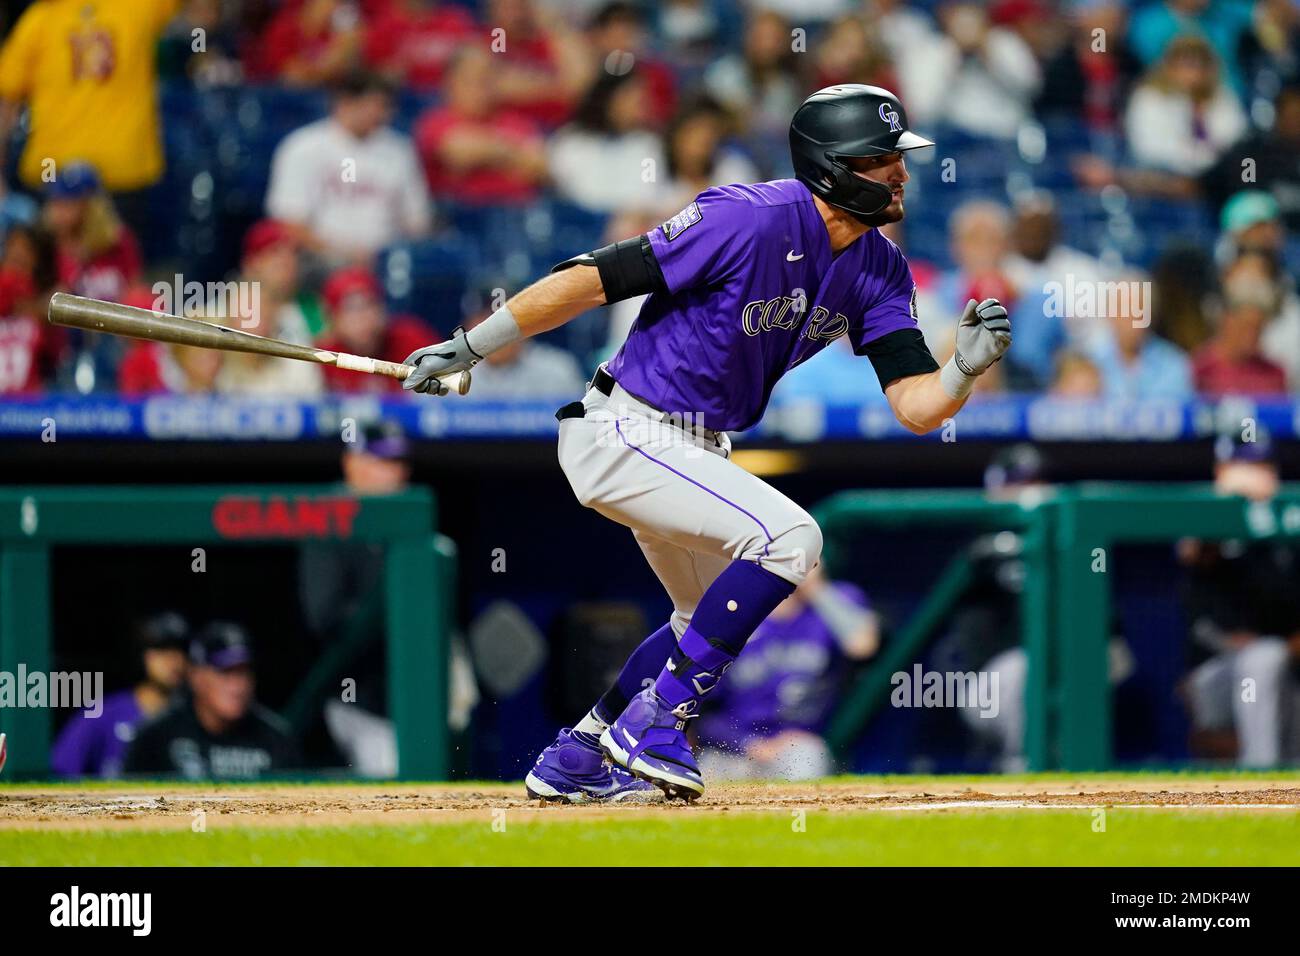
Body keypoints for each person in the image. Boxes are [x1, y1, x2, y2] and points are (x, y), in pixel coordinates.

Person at [400, 84, 1012, 801]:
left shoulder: (879, 268)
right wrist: (474, 345)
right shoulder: (747, 218)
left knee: (700, 622)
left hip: (695, 447)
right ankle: (656, 720)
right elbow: (593, 279)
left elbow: (914, 404)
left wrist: (962, 372)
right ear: (835, 167)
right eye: (882, 160)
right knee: (792, 539)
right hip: (624, 428)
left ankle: (581, 751)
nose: (902, 173)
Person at [0, 0, 179, 237]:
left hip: (56, 169)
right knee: (116, 268)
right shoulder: (139, 6)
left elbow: (7, 102)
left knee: (56, 270)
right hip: (120, 167)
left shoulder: (40, 18)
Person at [1179, 429, 1299, 767]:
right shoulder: (1206, 519)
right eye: (1244, 465)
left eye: (1262, 465)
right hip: (1219, 674)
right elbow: (1192, 553)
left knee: (1269, 657)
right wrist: (1228, 508)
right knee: (1263, 658)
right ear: (1221, 472)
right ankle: (1261, 773)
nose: (1255, 474)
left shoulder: (1289, 523)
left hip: (1285, 671)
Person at [695, 567, 879, 781]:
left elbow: (862, 645)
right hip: (735, 748)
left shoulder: (833, 600)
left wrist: (816, 589)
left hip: (796, 745)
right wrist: (748, 743)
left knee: (807, 759)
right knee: (699, 780)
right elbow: (704, 713)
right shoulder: (736, 613)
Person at [265, 71, 432, 265]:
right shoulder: (303, 146)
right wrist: (341, 255)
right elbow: (289, 222)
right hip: (318, 260)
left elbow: (417, 222)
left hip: (384, 263)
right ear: (344, 103)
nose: (380, 114)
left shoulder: (399, 151)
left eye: (385, 107)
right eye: (372, 105)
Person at [124, 622, 300, 780]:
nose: (238, 686)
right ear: (196, 677)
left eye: (244, 672)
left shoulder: (276, 739)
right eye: (225, 672)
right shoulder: (156, 737)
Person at [50, 612, 190, 779]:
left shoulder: (195, 717)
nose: (174, 659)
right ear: (142, 654)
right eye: (161, 649)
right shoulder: (104, 713)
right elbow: (61, 770)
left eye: (180, 650)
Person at [315, 266, 438, 394]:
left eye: (370, 304)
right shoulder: (324, 357)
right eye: (351, 309)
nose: (363, 317)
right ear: (333, 318)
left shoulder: (409, 339)